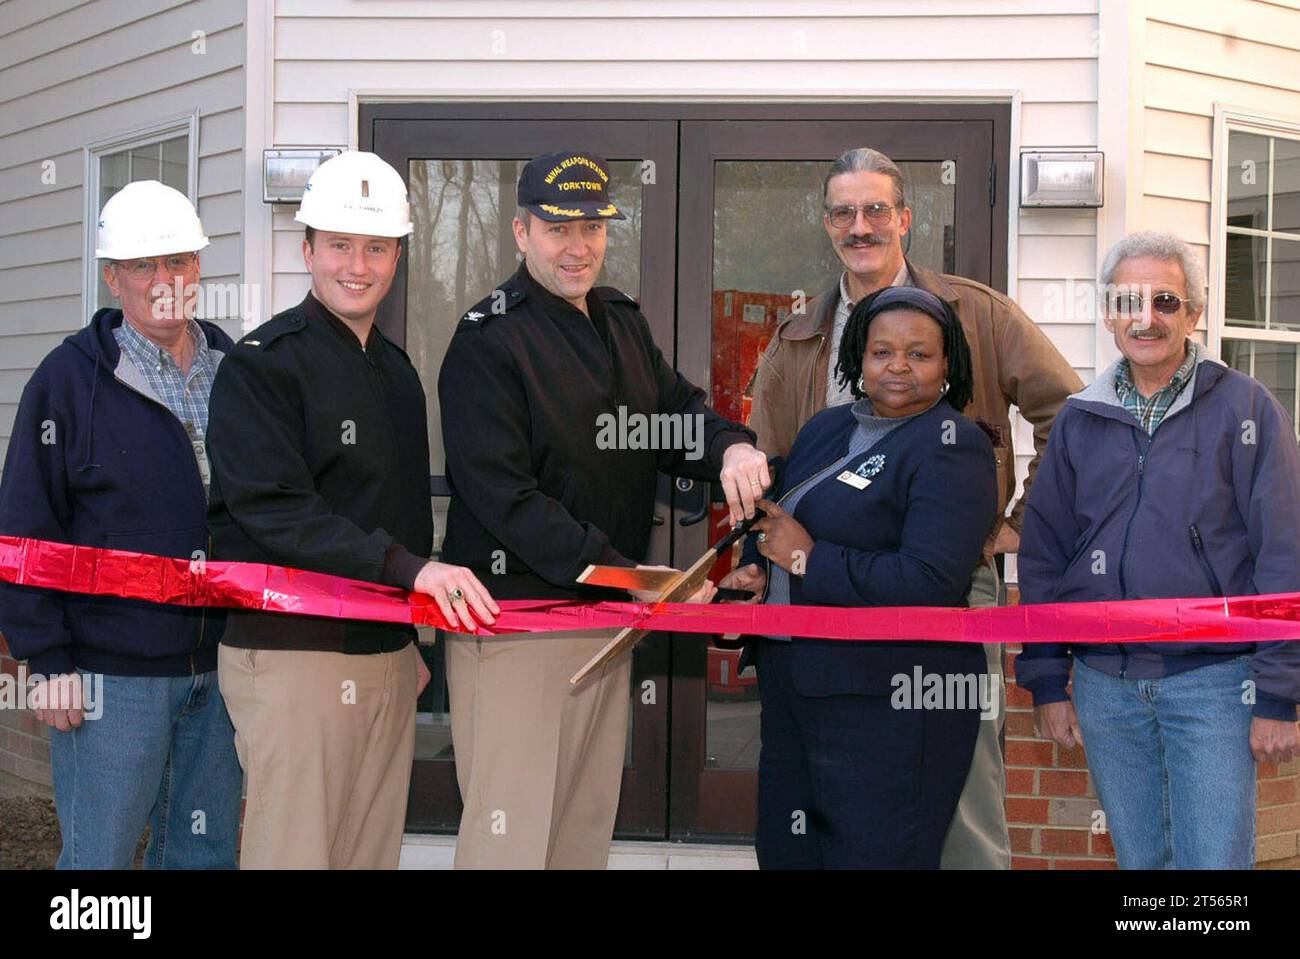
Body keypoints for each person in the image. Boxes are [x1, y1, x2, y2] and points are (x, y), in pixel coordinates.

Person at [746, 146, 1082, 868]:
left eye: (875, 210)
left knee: (958, 796)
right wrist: (759, 562)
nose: (859, 225)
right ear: (827, 223)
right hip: (819, 616)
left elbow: (1071, 417)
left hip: (937, 588)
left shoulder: (975, 312)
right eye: (843, 211)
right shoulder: (801, 333)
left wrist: (1015, 524)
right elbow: (775, 469)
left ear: (904, 217)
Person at [437, 150, 769, 869]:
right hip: (518, 625)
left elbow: (676, 414)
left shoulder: (619, 322)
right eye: (558, 228)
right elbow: (507, 500)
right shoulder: (486, 340)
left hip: (604, 621)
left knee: (580, 836)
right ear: (521, 232)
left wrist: (732, 449)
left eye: (591, 226)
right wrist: (631, 574)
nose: (577, 245)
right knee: (509, 842)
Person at [206, 151, 498, 869]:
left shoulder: (397, 373)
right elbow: (275, 511)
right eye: (339, 244)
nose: (357, 265)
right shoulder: (261, 365)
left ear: (397, 255)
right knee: (295, 855)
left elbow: (396, 513)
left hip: (385, 656)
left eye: (375, 247)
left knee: (367, 855)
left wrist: (405, 643)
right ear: (307, 249)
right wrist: (410, 571)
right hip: (292, 656)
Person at [1016, 230, 1300, 869]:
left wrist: (1279, 693)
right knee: (1141, 865)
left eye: (1166, 301)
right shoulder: (1080, 418)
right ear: (1110, 314)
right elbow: (1044, 557)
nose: (1146, 318)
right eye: (1129, 301)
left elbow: (1285, 554)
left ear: (1194, 313)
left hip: (1216, 686)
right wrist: (1046, 681)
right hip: (1103, 686)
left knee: (1213, 868)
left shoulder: (1247, 409)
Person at [0, 180, 241, 868]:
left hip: (221, 668)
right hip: (109, 677)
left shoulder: (238, 369)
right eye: (143, 265)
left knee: (203, 852)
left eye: (178, 262)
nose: (164, 280)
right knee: (99, 860)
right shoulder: (68, 381)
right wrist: (45, 658)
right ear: (112, 276)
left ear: (198, 266)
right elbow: (24, 528)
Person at [721, 285, 997, 868]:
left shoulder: (953, 446)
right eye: (881, 352)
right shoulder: (825, 428)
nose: (898, 366)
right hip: (795, 684)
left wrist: (807, 560)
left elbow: (929, 581)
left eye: (919, 354)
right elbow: (784, 518)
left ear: (949, 364)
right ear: (858, 359)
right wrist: (757, 571)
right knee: (789, 854)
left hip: (888, 704)